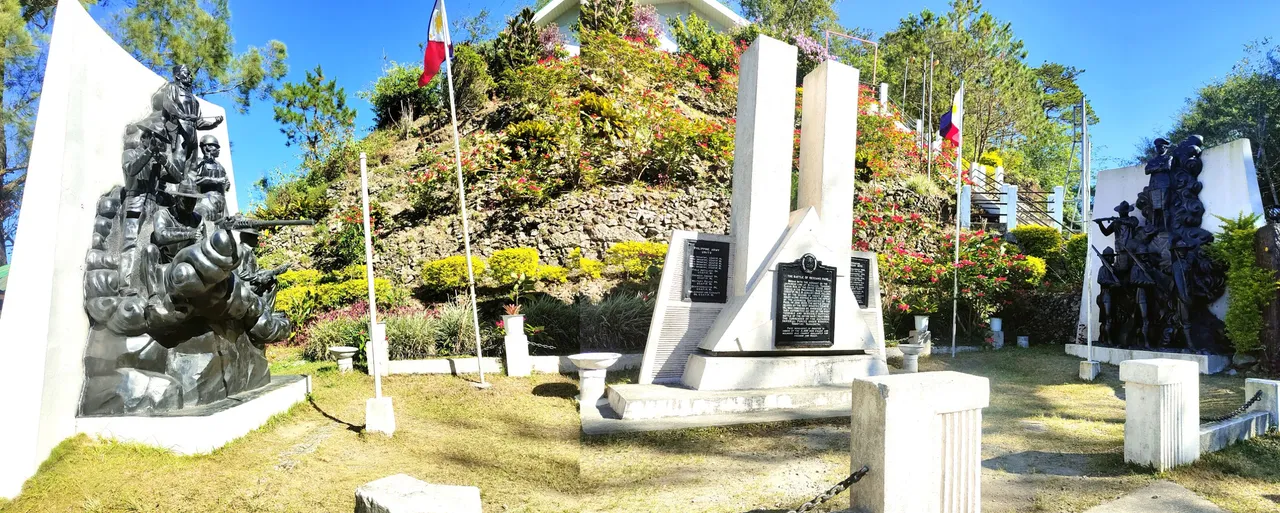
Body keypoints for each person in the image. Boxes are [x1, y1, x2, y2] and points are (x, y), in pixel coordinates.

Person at [152, 64, 223, 171]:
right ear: (177, 76)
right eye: (187, 73)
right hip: (180, 130)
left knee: (192, 170)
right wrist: (183, 116)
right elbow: (168, 104)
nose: (190, 76)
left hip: (192, 134)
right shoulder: (172, 87)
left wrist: (214, 123)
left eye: (190, 74)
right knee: (177, 165)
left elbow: (199, 122)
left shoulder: (194, 99)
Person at [190, 135, 228, 221]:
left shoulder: (220, 166)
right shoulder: (200, 162)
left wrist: (226, 184)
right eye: (216, 146)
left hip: (221, 202)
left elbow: (225, 183)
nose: (218, 149)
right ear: (207, 147)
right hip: (207, 200)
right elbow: (195, 180)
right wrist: (217, 180)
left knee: (224, 229)